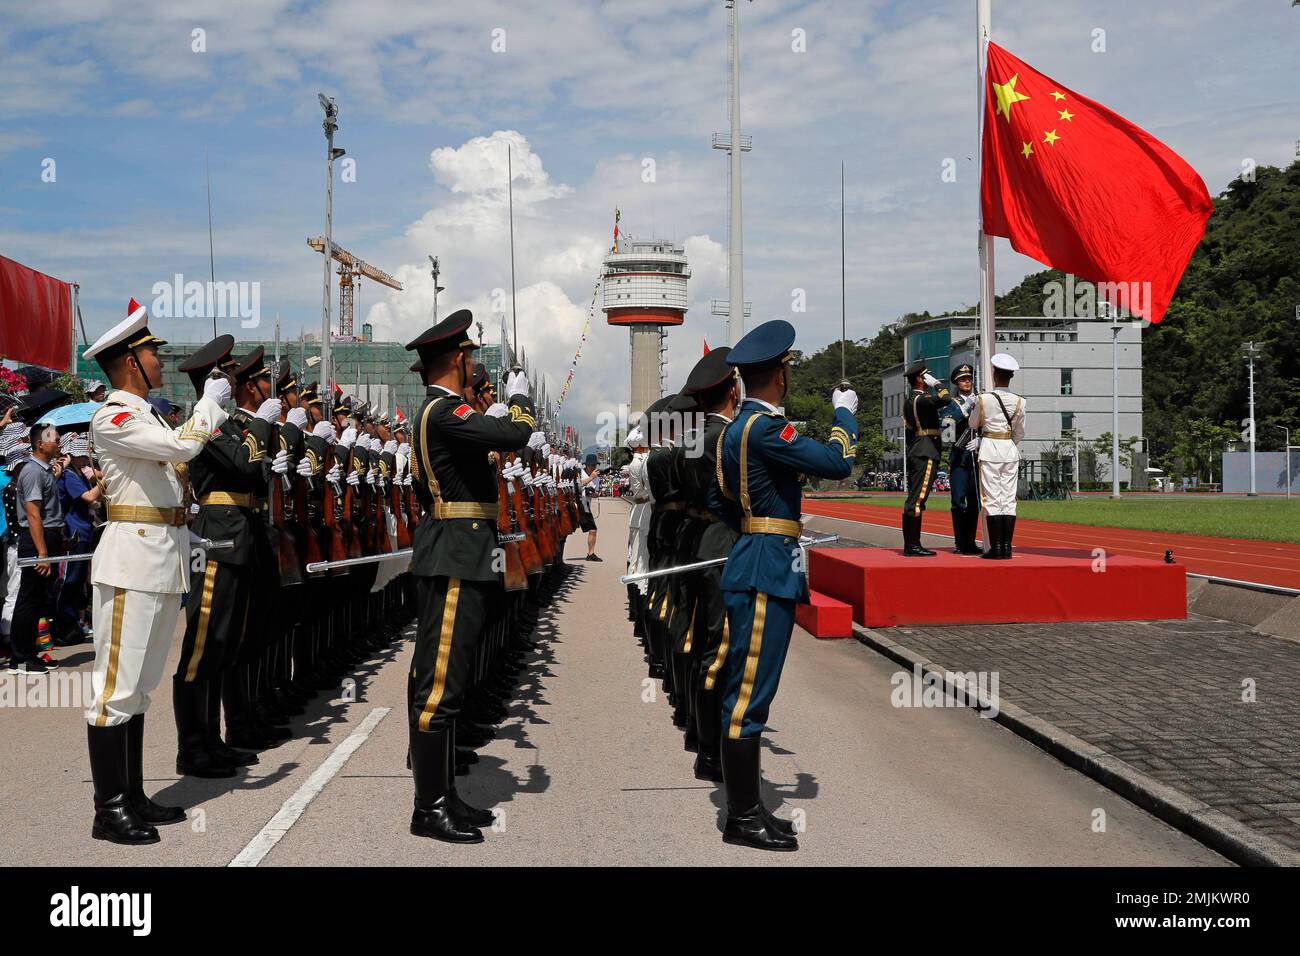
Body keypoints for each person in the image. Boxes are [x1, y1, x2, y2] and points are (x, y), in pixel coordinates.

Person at [82, 297, 232, 844]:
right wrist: (210, 408)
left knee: (139, 689)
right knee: (115, 690)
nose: (160, 362)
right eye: (151, 353)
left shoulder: (145, 413)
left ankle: (135, 795)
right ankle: (109, 808)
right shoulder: (114, 415)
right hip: (131, 563)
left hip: (161, 558)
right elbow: (180, 449)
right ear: (129, 362)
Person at [707, 319, 858, 852]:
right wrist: (845, 414)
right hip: (769, 567)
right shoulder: (769, 430)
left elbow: (718, 500)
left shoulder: (732, 431)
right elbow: (838, 464)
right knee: (749, 694)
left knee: (750, 688)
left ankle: (749, 809)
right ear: (781, 378)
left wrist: (757, 519)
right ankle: (742, 817)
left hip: (756, 555)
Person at [404, 308, 536, 844]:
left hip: (465, 551)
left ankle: (445, 795)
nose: (474, 363)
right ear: (459, 359)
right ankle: (428, 806)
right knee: (440, 682)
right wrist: (522, 400)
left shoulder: (444, 413)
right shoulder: (443, 411)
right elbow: (515, 435)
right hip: (455, 557)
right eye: (472, 356)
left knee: (451, 676)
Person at [172, 336, 274, 779]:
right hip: (217, 539)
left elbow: (259, 477)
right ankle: (192, 748)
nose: (236, 382)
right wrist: (266, 430)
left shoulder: (226, 424)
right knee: (202, 646)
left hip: (239, 536)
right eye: (229, 374)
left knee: (225, 645)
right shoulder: (206, 422)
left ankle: (212, 740)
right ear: (212, 380)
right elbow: (248, 467)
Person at [677, 347, 740, 782]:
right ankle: (713, 753)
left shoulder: (693, 440)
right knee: (719, 651)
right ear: (733, 390)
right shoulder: (725, 438)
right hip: (723, 544)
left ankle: (704, 744)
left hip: (699, 542)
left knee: (704, 645)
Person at [9, 393, 72, 672]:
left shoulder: (44, 470)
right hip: (37, 540)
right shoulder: (33, 472)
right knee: (29, 598)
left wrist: (58, 472)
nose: (57, 441)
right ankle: (20, 658)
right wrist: (42, 553)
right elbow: (33, 513)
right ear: (39, 443)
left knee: (38, 599)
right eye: (53, 438)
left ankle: (30, 652)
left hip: (47, 537)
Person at [968, 353, 1027, 559]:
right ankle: (1007, 547)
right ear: (1010, 376)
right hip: (1009, 450)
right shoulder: (1020, 401)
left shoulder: (984, 399)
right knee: (1009, 500)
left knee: (992, 499)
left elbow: (973, 424)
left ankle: (996, 548)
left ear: (994, 375)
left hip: (990, 449)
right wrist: (1008, 444)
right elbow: (1020, 432)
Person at [900, 359, 951, 557]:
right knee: (918, 500)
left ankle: (911, 545)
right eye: (925, 377)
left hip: (916, 449)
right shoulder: (923, 400)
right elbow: (946, 399)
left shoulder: (908, 402)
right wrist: (937, 384)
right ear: (921, 380)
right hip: (926, 451)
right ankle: (913, 546)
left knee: (915, 498)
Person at [56, 435, 101, 644]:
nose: (85, 460)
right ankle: (64, 626)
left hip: (84, 531)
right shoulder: (69, 475)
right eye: (82, 456)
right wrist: (105, 481)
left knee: (78, 583)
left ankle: (74, 624)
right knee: (70, 581)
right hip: (74, 534)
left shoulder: (79, 473)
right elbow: (89, 497)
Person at [939, 363, 982, 555]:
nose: (967, 381)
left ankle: (971, 541)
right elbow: (947, 432)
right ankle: (960, 542)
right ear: (956, 382)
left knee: (975, 502)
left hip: (977, 456)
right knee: (958, 502)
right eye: (963, 379)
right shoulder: (950, 404)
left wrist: (981, 440)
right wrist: (965, 408)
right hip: (959, 457)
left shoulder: (982, 400)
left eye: (969, 378)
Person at [577, 454, 600, 560]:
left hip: (586, 505)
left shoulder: (597, 478)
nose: (593, 468)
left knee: (593, 529)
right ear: (586, 465)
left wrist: (593, 494)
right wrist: (591, 478)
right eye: (591, 465)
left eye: (594, 465)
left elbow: (597, 493)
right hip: (577, 503)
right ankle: (590, 554)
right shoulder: (579, 473)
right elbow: (577, 485)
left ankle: (591, 553)